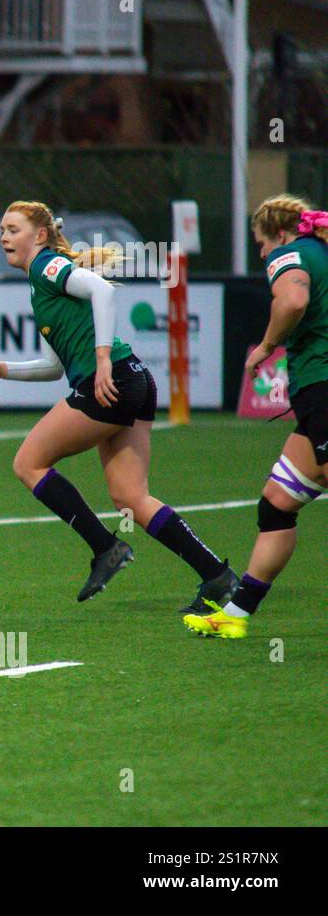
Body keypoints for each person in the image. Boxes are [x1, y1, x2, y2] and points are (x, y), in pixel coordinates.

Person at [0, 200, 237, 607]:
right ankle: (217, 575)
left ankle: (107, 548)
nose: (4, 236)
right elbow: (54, 367)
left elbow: (102, 290)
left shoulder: (45, 266)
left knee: (28, 463)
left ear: (38, 235)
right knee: (131, 498)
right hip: (135, 379)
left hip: (111, 382)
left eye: (13, 229)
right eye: (1, 229)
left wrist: (102, 358)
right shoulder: (41, 286)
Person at [184, 197, 328, 638]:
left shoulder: (292, 253)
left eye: (261, 244)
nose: (263, 254)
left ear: (280, 234)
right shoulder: (319, 252)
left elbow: (292, 301)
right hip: (314, 393)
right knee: (278, 503)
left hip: (323, 385)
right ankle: (237, 614)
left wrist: (265, 347)